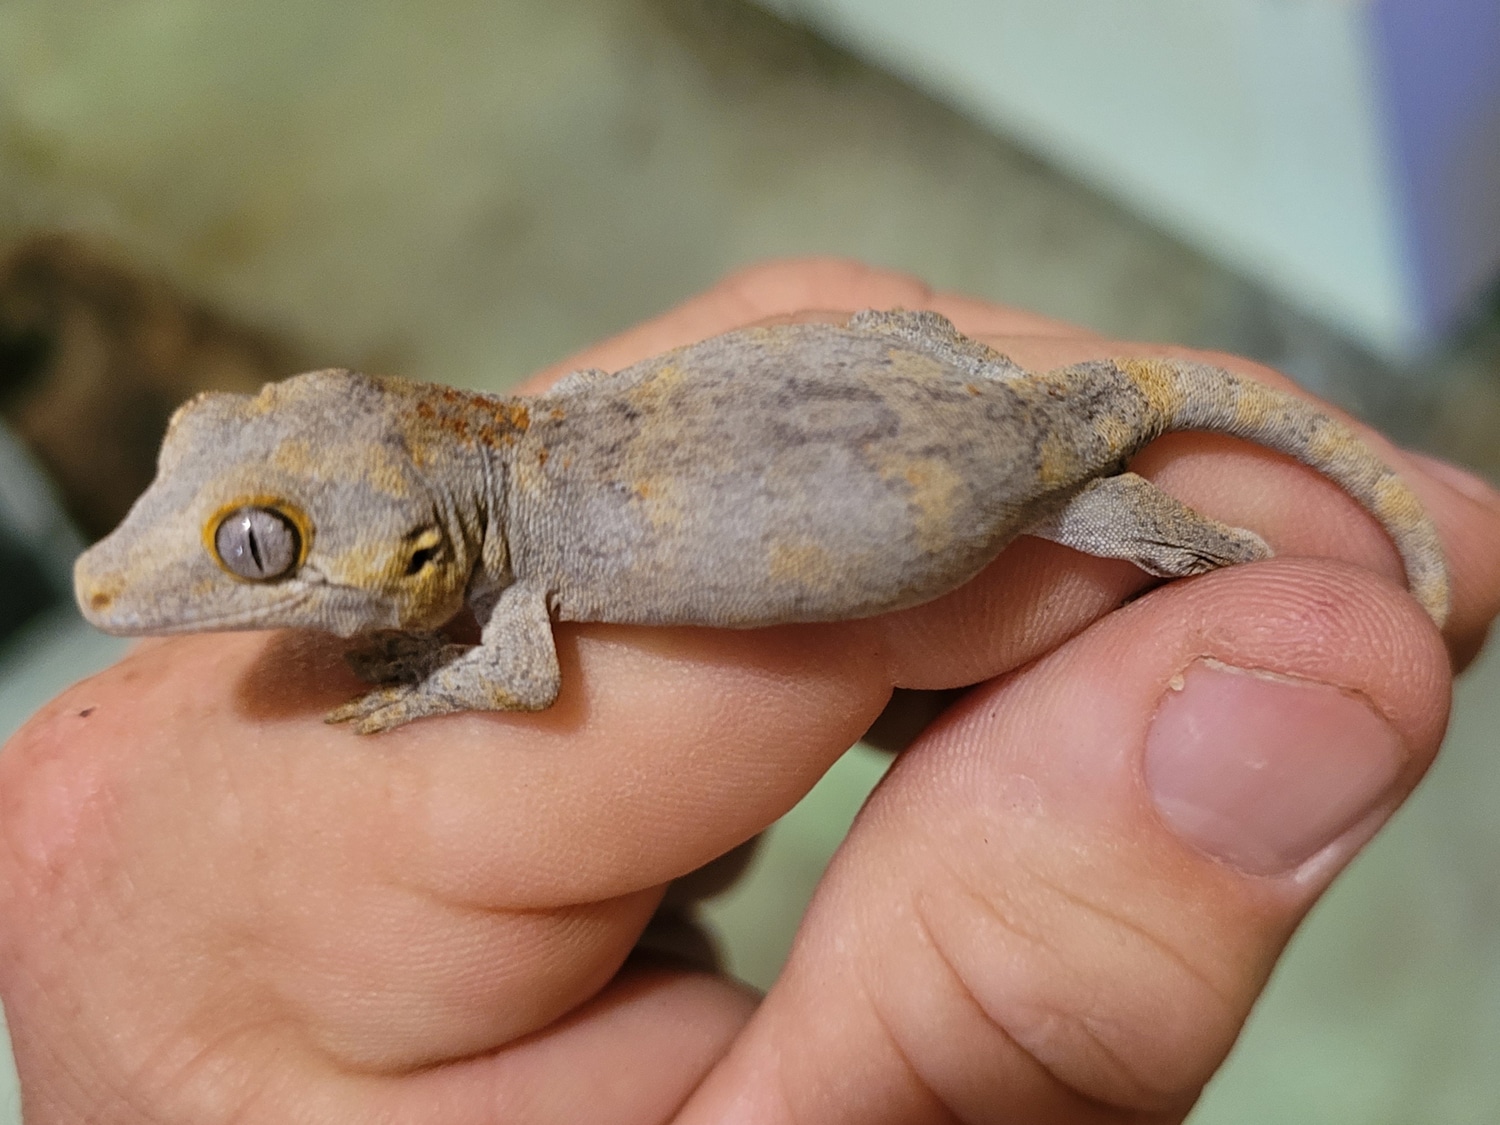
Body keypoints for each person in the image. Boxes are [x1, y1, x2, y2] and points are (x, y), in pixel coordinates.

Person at [2, 259, 1499, 1124]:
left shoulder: (517, 594)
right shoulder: (540, 451)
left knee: (1195, 562)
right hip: (964, 403)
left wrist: (423, 683)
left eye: (260, 550)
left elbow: (519, 674)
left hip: (1033, 484)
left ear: (420, 554)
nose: (120, 583)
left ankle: (1252, 581)